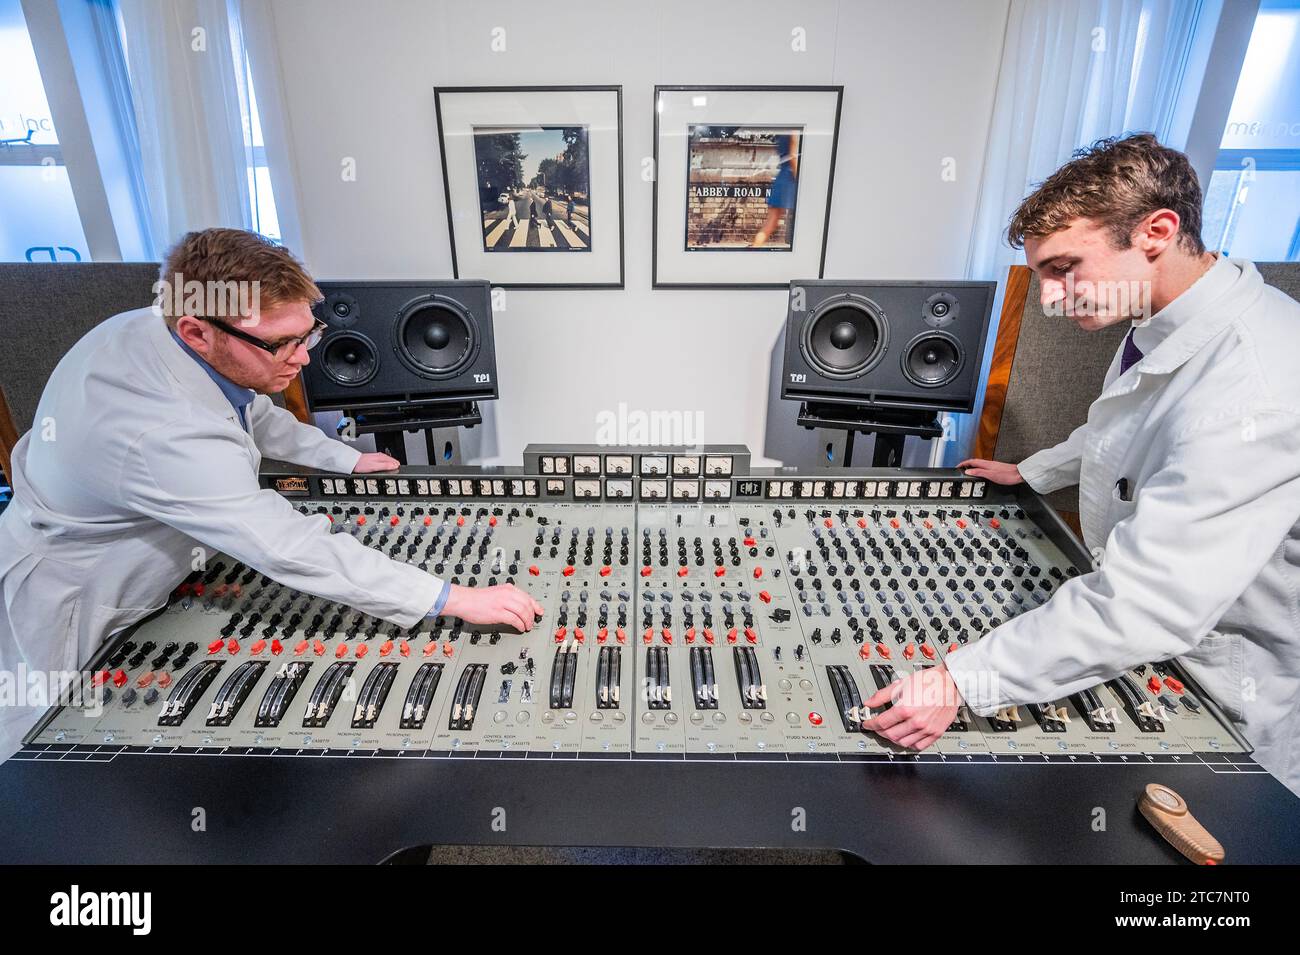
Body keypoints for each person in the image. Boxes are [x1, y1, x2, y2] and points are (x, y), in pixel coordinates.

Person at [860, 134, 1300, 796]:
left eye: (1066, 267)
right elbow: (1124, 423)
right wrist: (1034, 470)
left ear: (1155, 231)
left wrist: (959, 679)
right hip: (1161, 649)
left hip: (1229, 689)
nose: (1051, 300)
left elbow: (1146, 602)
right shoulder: (1164, 316)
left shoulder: (1255, 387)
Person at [0, 228, 542, 759]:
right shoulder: (161, 429)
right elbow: (286, 545)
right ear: (197, 331)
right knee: (58, 749)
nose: (304, 357)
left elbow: (249, 411)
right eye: (281, 343)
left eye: (307, 334)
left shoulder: (175, 337)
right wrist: (452, 598)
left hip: (151, 558)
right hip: (77, 595)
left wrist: (345, 458)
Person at [752, 132, 799, 247]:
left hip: (783, 176)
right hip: (791, 177)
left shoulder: (783, 133)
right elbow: (793, 156)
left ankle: (754, 250)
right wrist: (800, 179)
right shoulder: (794, 131)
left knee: (771, 222)